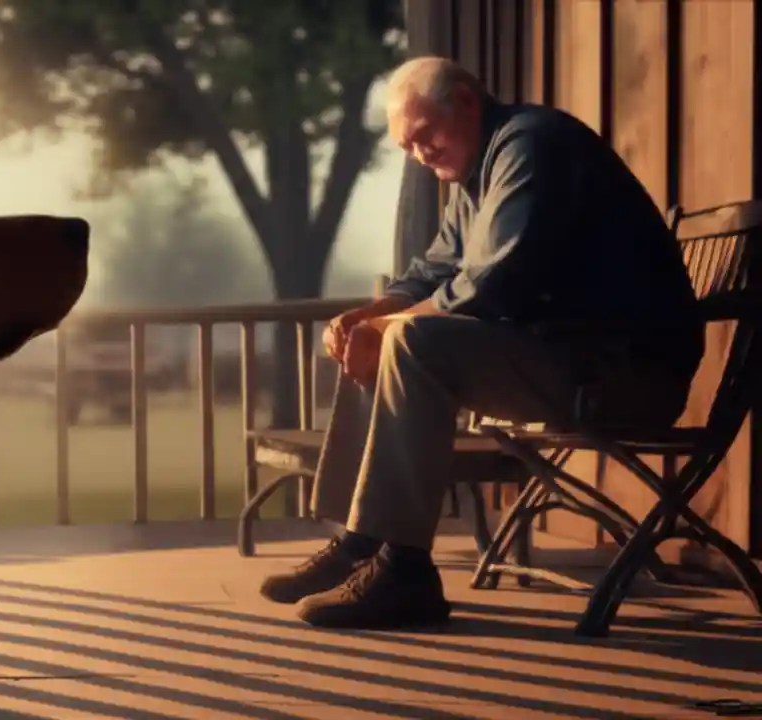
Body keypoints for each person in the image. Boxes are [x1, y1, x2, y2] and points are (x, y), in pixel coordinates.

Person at [258, 56, 704, 630]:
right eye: (408, 147)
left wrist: (391, 328)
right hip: (566, 363)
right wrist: (365, 319)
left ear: (466, 102)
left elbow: (496, 280)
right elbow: (431, 272)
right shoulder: (474, 178)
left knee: (411, 340)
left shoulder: (532, 145)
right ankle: (360, 544)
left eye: (425, 136)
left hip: (623, 376)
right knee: (378, 337)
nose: (420, 155)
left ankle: (404, 571)